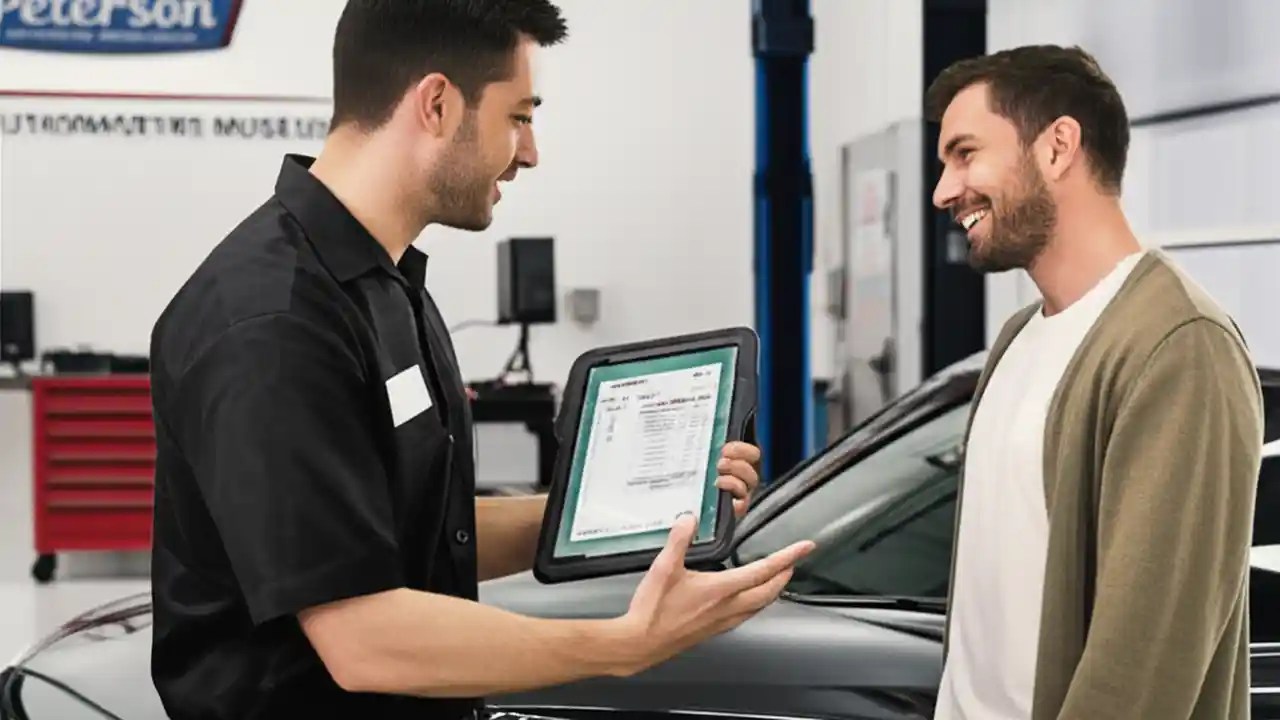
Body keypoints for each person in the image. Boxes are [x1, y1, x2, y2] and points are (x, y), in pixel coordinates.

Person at [146, 2, 814, 719]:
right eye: (519, 116)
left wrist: (643, 510)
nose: (529, 152)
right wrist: (623, 644)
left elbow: (419, 530)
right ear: (436, 103)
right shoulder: (274, 322)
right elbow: (363, 638)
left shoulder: (387, 287)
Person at [925, 45, 1264, 720]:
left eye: (965, 153)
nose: (942, 190)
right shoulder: (1018, 341)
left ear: (1057, 147)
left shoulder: (1179, 346)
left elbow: (1143, 661)